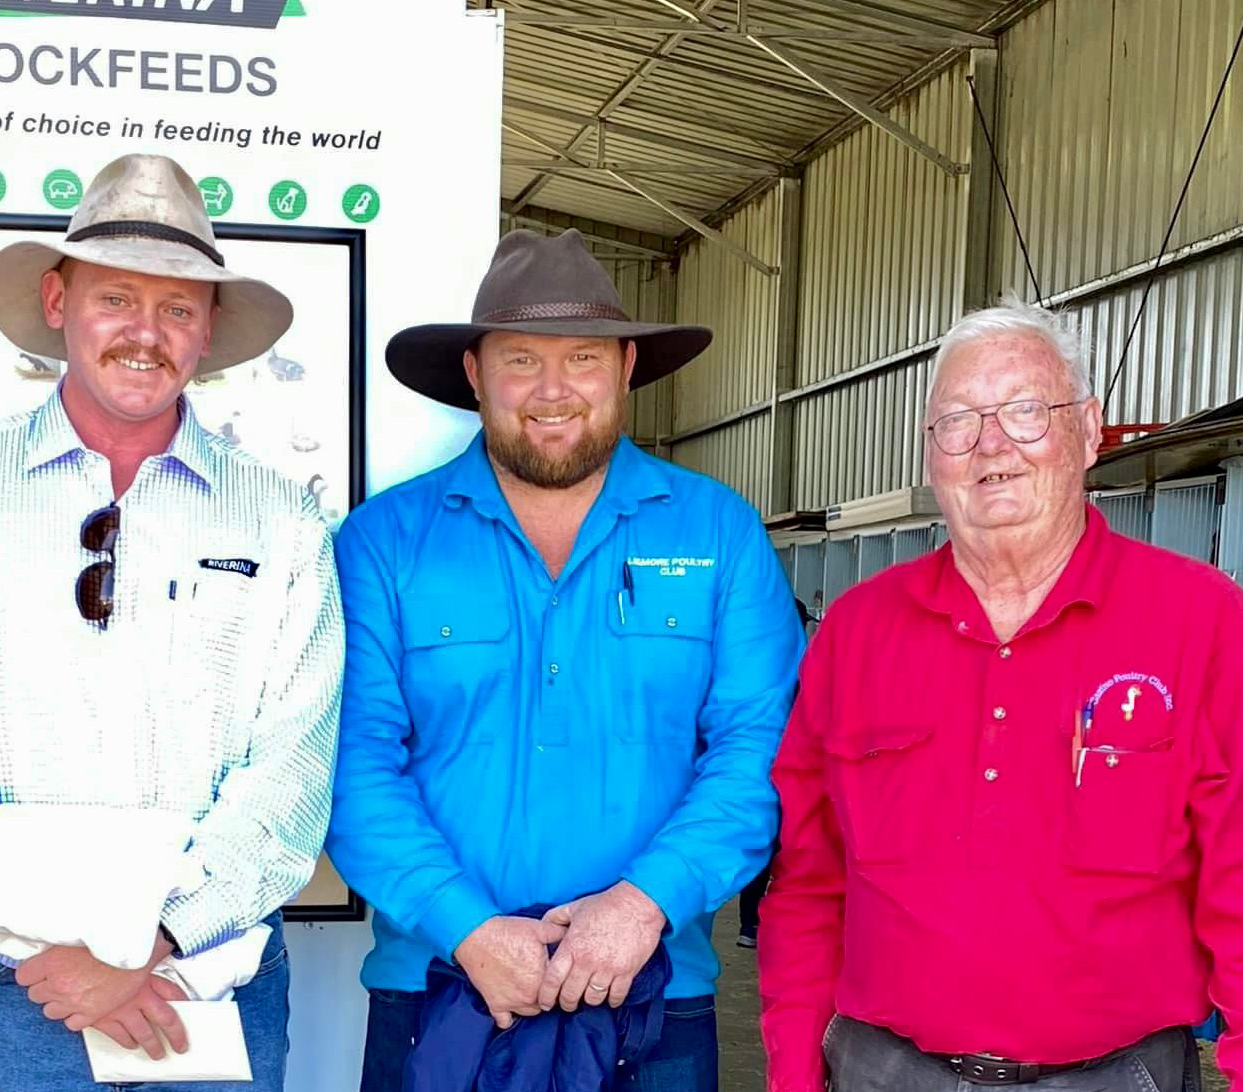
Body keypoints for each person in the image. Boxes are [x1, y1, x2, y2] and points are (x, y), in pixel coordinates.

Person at [0, 154, 343, 1092]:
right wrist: (56, 947)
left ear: (209, 329)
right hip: (19, 985)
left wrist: (154, 940)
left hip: (208, 977)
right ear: (57, 301)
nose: (147, 333)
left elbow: (293, 763)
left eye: (178, 307)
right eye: (115, 298)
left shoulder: (283, 519)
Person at [330, 228, 804, 1091]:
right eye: (519, 360)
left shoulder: (717, 532)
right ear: (475, 375)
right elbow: (352, 763)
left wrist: (640, 904)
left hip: (653, 991)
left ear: (624, 368)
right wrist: (466, 927)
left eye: (582, 358)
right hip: (438, 989)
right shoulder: (382, 542)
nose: (552, 391)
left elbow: (759, 747)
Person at [758, 299, 1243, 1092]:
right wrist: (791, 1072)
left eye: (1025, 411)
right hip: (880, 1071)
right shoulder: (856, 630)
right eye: (957, 420)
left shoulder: (1199, 618)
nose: (991, 446)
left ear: (1087, 430)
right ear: (929, 455)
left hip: (1116, 1078)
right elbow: (809, 884)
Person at [737, 596, 815, 950]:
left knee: (764, 844)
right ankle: (774, 925)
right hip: (794, 768)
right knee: (792, 846)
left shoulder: (755, 663)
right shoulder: (811, 666)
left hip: (761, 766)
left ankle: (750, 925)